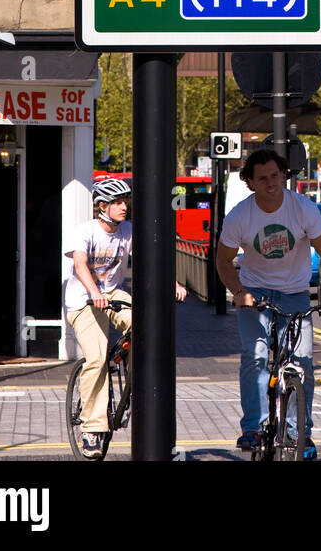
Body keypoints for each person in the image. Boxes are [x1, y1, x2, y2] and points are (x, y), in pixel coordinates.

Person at [215, 148, 321, 460]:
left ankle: (299, 433)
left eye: (275, 175)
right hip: (254, 293)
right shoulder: (240, 215)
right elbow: (222, 261)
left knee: (302, 363)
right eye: (262, 178)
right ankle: (253, 428)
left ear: (284, 175)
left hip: (295, 293)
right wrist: (238, 291)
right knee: (255, 357)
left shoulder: (302, 209)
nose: (270, 182)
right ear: (250, 182)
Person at [65, 176, 186, 459]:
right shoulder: (85, 231)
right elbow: (81, 264)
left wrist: (172, 284)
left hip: (113, 294)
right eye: (118, 203)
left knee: (146, 326)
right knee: (95, 358)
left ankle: (136, 383)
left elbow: (151, 261)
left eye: (125, 202)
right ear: (102, 206)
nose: (124, 207)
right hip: (84, 300)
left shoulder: (129, 231)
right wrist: (95, 292)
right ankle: (93, 429)